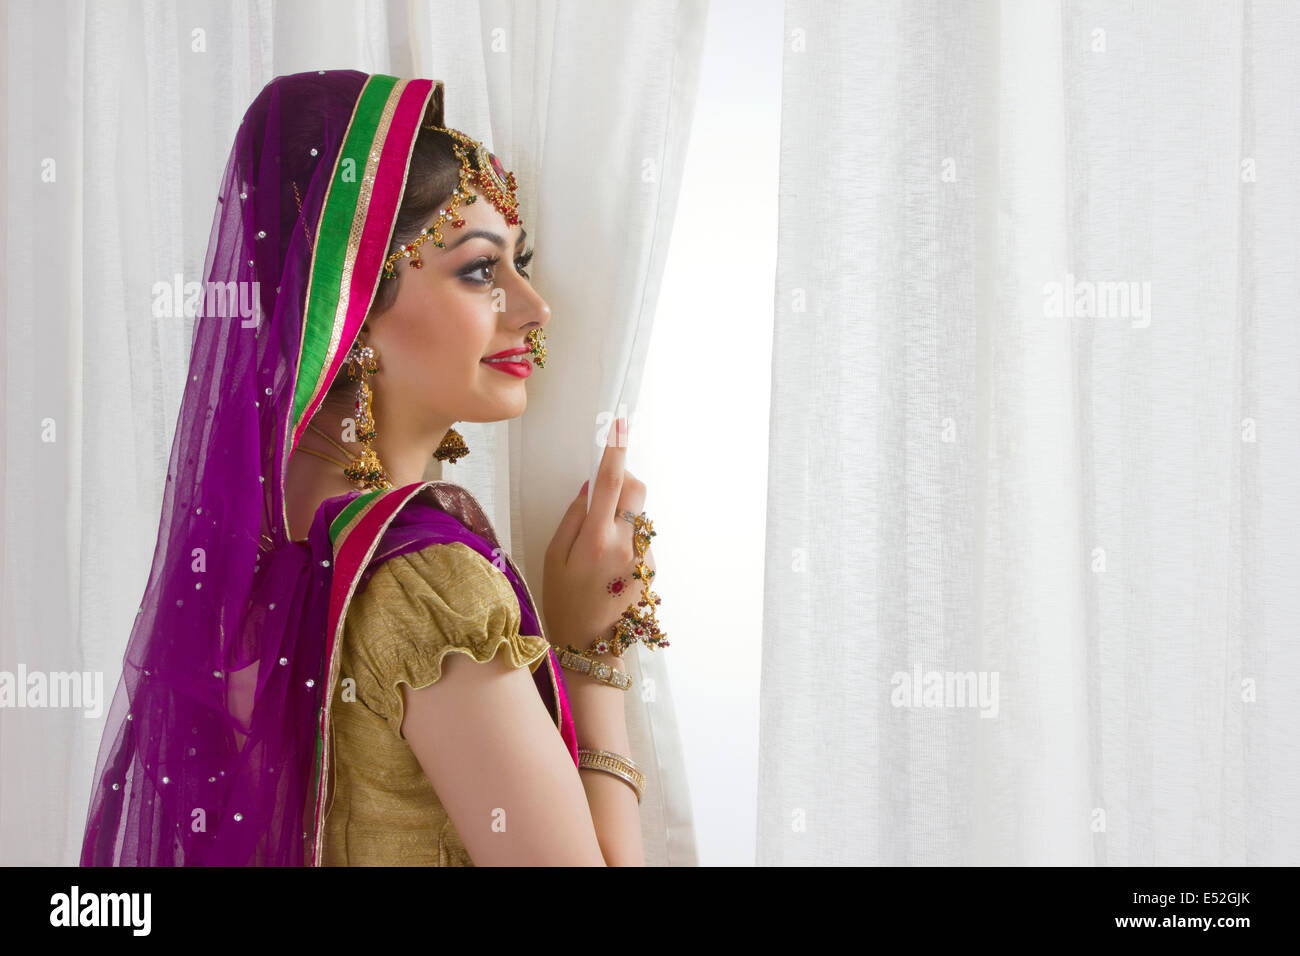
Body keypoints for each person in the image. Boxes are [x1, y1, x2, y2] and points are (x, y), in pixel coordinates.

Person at [80, 69, 665, 867]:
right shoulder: (428, 595)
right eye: (481, 270)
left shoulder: (233, 568)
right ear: (350, 300)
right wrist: (592, 668)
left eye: (519, 264)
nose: (534, 308)